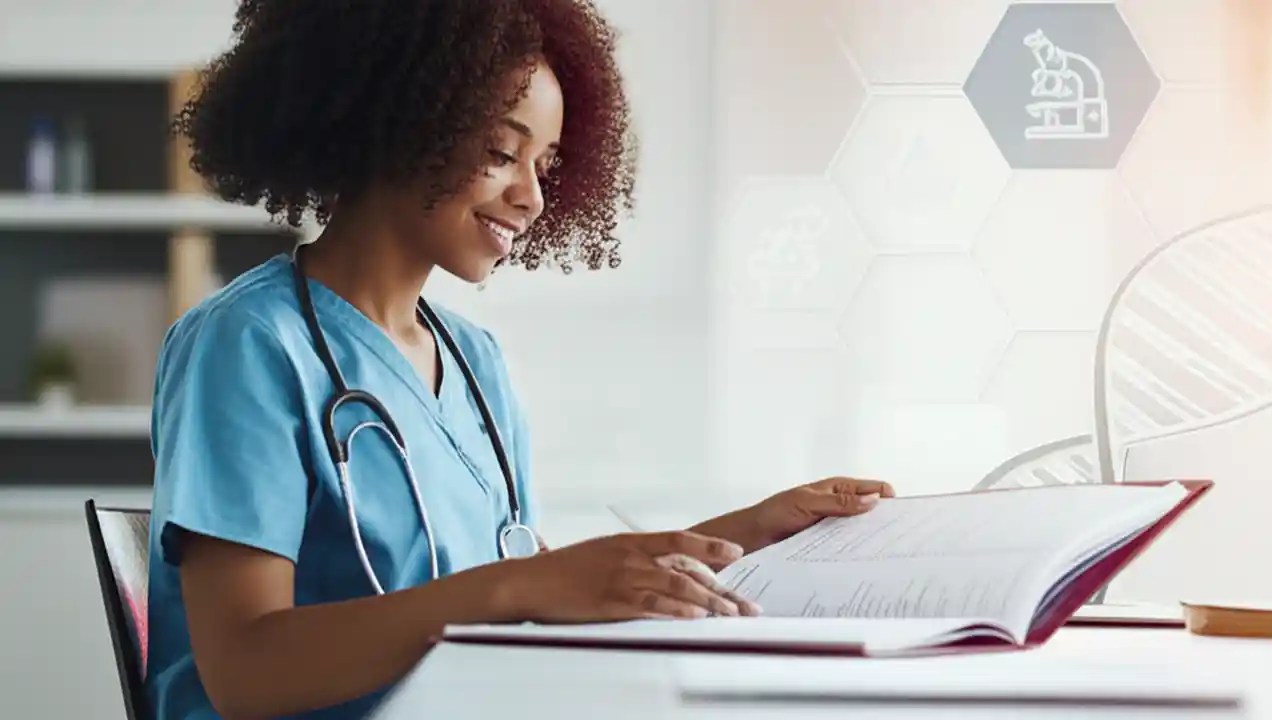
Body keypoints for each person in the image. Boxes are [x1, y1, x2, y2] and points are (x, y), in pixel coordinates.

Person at [146, 1, 895, 718]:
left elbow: (543, 598)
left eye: (546, 166)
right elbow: (245, 671)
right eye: (503, 152)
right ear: (396, 121)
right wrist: (521, 586)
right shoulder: (248, 344)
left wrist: (752, 532)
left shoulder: (473, 363)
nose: (532, 197)